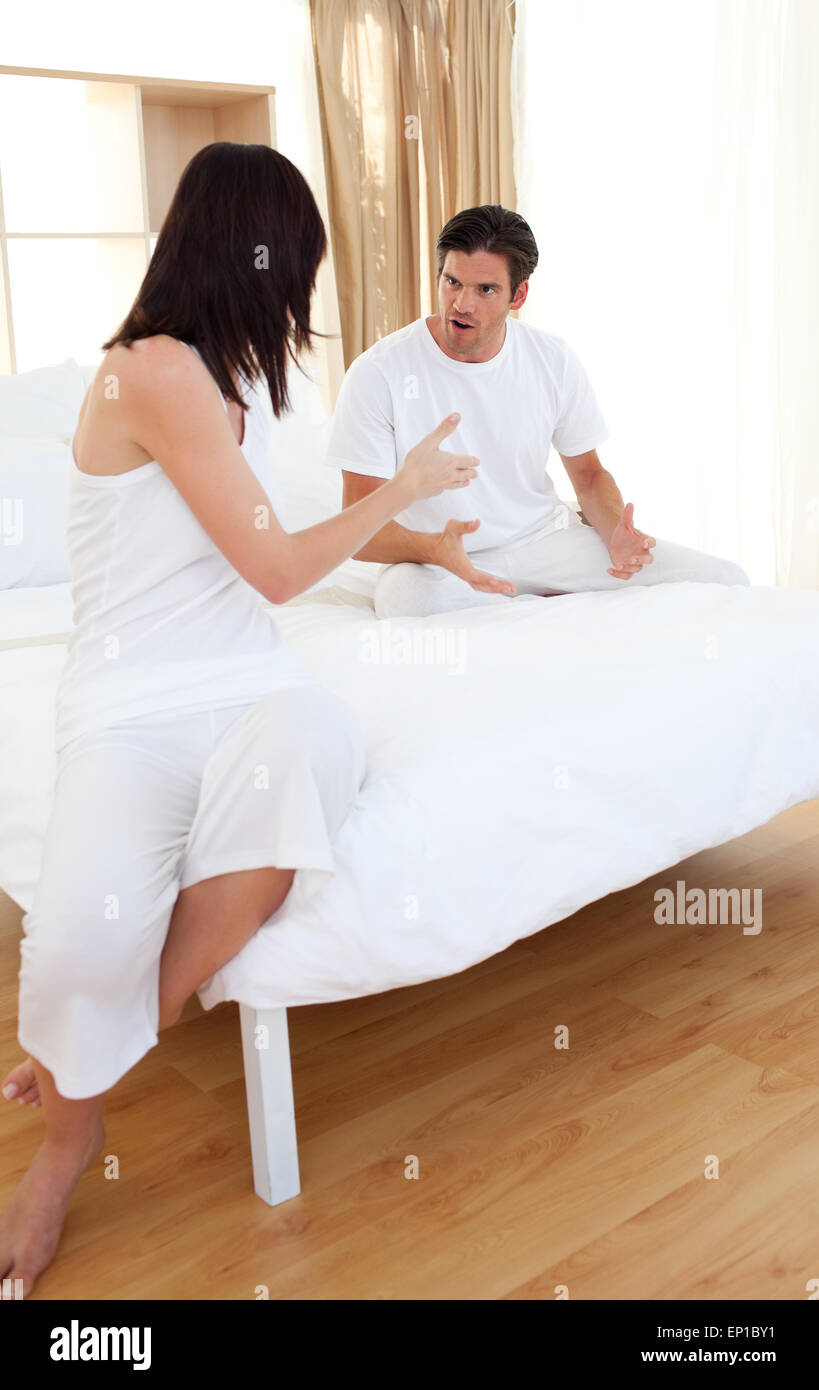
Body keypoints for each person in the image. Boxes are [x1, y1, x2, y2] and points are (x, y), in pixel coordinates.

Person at [0, 142, 481, 1298]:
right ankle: (69, 1145)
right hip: (130, 705)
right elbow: (274, 566)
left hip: (245, 684)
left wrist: (398, 510)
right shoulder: (150, 372)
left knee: (312, 751)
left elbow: (268, 571)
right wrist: (403, 496)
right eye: (288, 267)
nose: (293, 297)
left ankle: (125, 1032)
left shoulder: (244, 387)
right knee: (72, 931)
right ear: (240, 250)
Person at [325, 204, 750, 618]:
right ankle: (545, 602)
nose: (462, 304)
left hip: (546, 543)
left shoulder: (552, 359)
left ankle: (530, 597)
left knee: (725, 579)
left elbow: (588, 475)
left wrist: (615, 530)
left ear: (519, 294)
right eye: (452, 282)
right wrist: (432, 548)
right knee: (407, 602)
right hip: (437, 559)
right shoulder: (379, 372)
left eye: (485, 289)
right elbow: (358, 531)